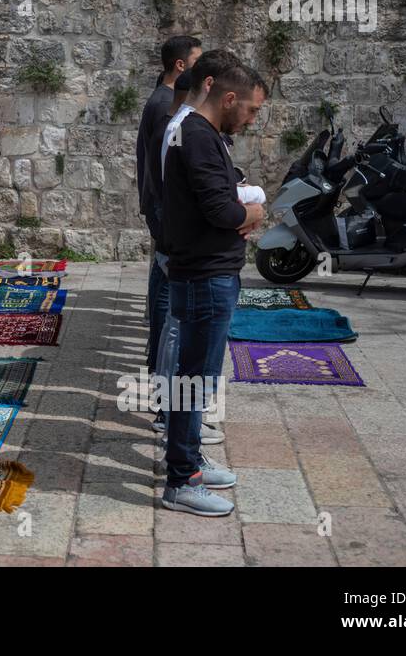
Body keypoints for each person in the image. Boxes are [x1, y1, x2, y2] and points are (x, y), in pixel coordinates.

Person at [160, 58, 268, 517]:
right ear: (228, 98)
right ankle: (181, 480)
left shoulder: (200, 133)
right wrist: (253, 216)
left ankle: (191, 462)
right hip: (204, 275)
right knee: (193, 379)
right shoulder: (199, 136)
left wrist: (236, 211)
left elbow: (221, 199)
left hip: (207, 271)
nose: (251, 120)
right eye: (250, 111)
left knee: (197, 378)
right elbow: (221, 211)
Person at [138, 36, 203, 394]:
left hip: (159, 204)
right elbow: (163, 163)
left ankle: (157, 359)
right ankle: (162, 370)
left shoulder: (162, 100)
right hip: (164, 207)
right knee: (166, 290)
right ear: (181, 66)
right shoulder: (165, 104)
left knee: (161, 281)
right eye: (198, 61)